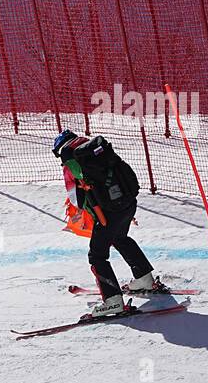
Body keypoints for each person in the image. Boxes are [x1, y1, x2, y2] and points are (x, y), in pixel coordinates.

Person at [52, 129, 159, 316]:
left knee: (97, 256)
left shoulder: (71, 161)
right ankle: (145, 279)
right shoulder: (98, 150)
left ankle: (113, 301)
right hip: (127, 203)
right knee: (120, 238)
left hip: (108, 214)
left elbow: (76, 200)